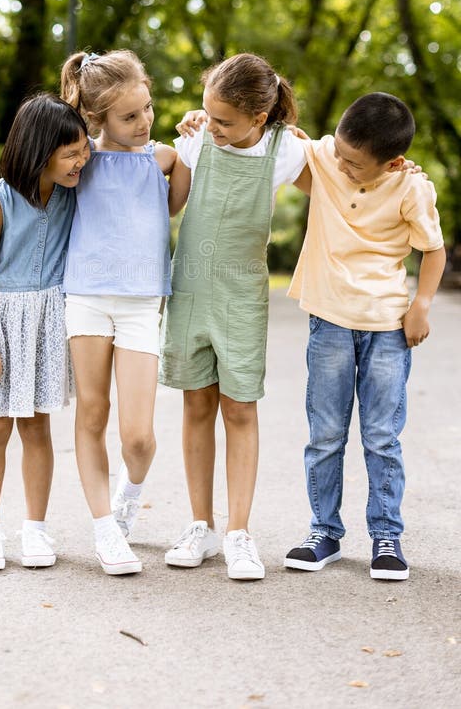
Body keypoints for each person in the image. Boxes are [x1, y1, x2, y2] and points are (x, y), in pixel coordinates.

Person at [159, 53, 310, 580]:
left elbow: (343, 185)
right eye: (208, 115)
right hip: (191, 292)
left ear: (260, 118)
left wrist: (395, 171)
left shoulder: (287, 152)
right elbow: (166, 201)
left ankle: (239, 533)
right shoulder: (198, 141)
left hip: (243, 298)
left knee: (240, 409)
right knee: (196, 404)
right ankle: (199, 523)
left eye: (225, 120)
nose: (214, 127)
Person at [284, 92, 446, 580]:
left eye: (355, 162)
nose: (341, 163)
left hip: (388, 327)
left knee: (381, 436)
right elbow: (263, 136)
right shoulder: (326, 154)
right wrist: (201, 121)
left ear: (394, 162)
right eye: (339, 151)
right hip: (329, 322)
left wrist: (421, 307)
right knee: (326, 435)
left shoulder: (411, 188)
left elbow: (433, 252)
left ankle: (386, 535)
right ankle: (324, 532)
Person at [0, 93, 90, 571]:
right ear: (38, 151)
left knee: (36, 427)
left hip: (47, 322)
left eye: (83, 149)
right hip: (2, 323)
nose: (81, 160)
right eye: (71, 153)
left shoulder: (74, 191)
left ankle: (35, 530)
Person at [60, 50, 177, 576]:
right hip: (85, 296)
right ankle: (105, 528)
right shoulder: (79, 162)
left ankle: (130, 493)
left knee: (138, 436)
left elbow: (174, 207)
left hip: (140, 305)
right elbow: (21, 185)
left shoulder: (166, 161)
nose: (144, 121)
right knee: (91, 413)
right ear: (97, 119)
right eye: (130, 116)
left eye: (147, 108)